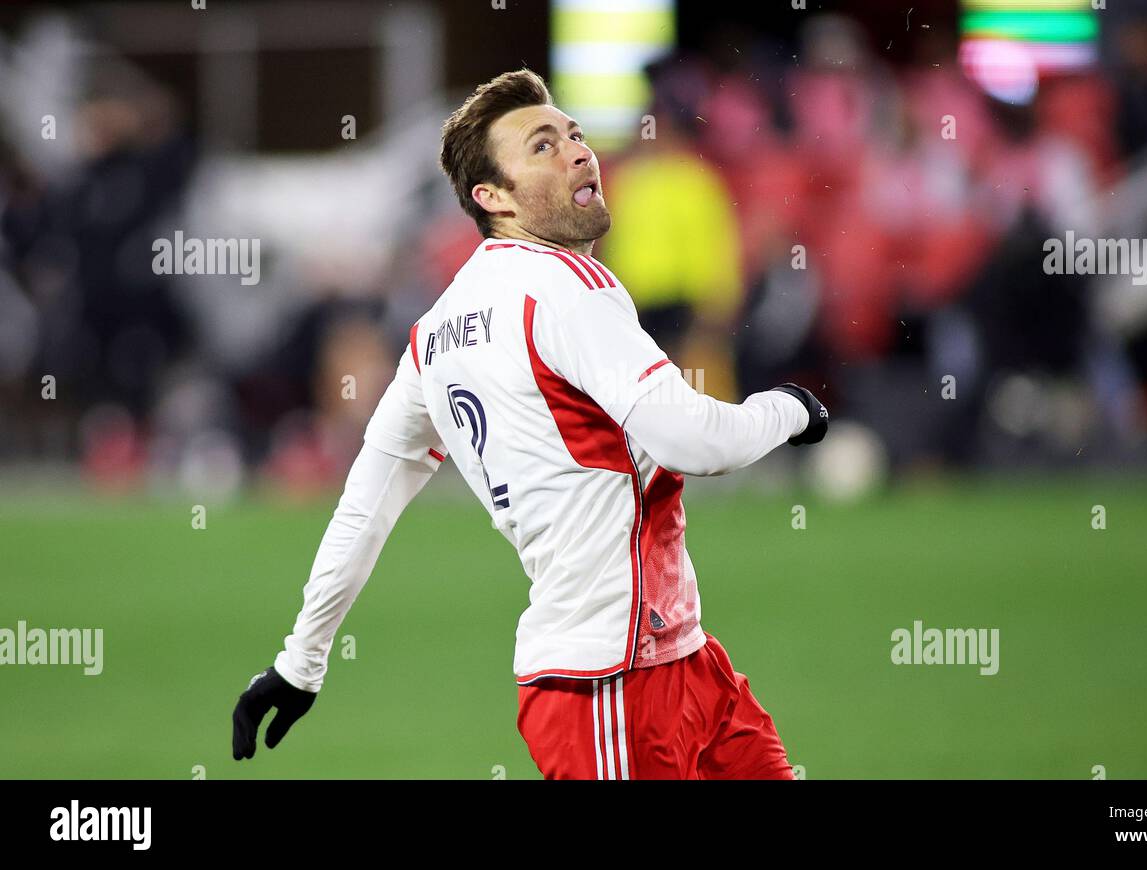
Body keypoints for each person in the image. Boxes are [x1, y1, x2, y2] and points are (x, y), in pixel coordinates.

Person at [231, 70, 828, 779]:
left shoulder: (435, 333)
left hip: (677, 661)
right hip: (607, 684)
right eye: (543, 146)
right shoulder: (566, 289)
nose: (578, 152)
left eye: (574, 135)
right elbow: (694, 441)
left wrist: (301, 662)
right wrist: (793, 408)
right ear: (493, 197)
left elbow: (366, 502)